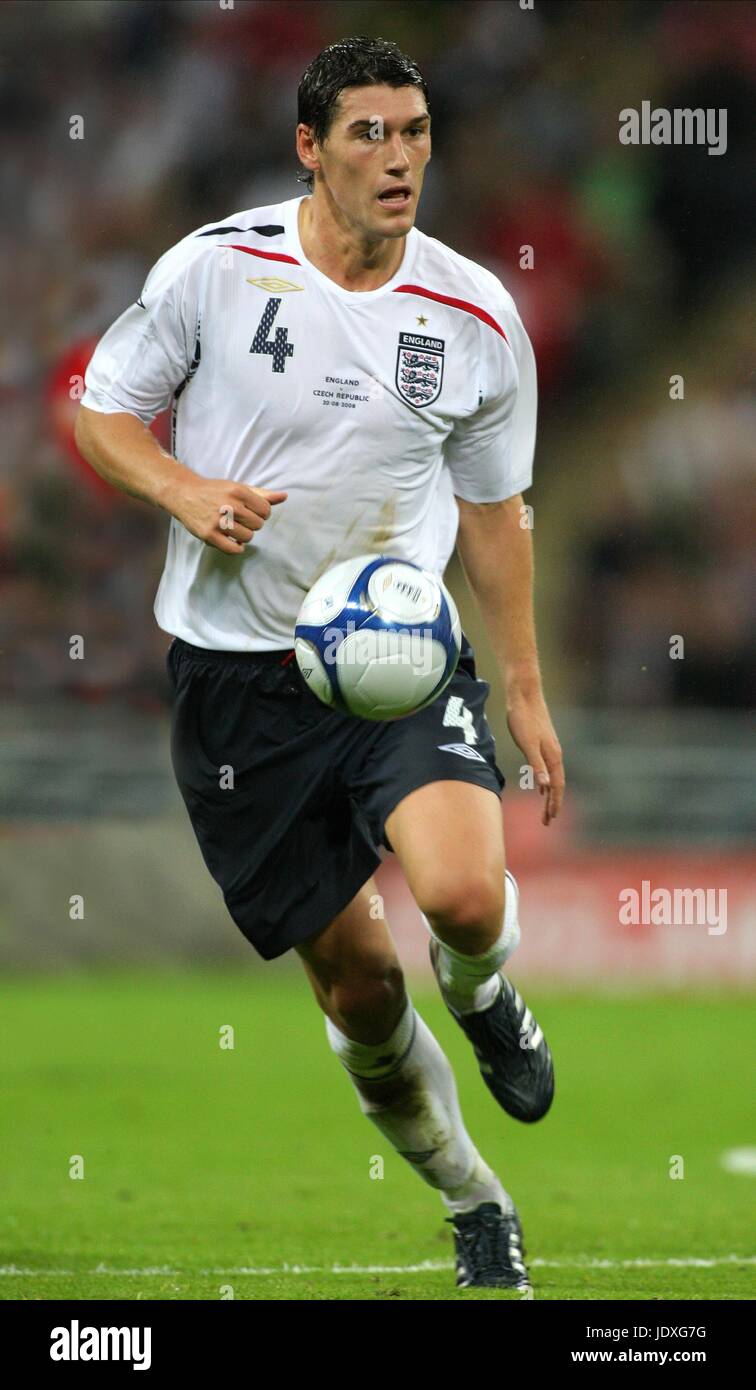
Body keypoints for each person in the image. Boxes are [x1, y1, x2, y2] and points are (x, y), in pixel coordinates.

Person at [74, 36, 564, 1294]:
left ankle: (486, 992)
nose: (399, 159)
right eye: (369, 134)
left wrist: (521, 682)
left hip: (399, 654)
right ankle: (475, 1198)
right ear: (309, 147)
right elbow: (100, 408)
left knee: (464, 897)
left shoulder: (474, 313)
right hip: (242, 685)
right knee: (360, 989)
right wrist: (182, 488)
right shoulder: (216, 268)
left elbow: (496, 512)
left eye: (416, 132)